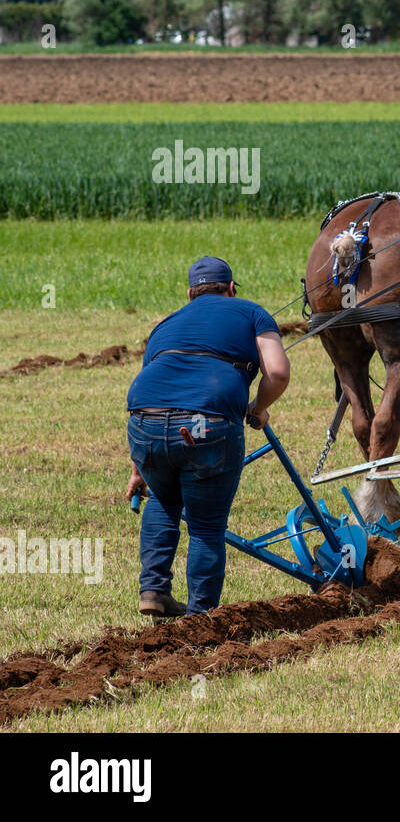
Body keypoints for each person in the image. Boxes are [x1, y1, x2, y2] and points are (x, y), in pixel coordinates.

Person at [126, 256, 290, 616]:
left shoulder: (164, 326)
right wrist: (258, 408)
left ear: (189, 294)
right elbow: (276, 372)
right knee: (206, 524)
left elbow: (155, 395)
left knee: (162, 501)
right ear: (231, 289)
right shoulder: (252, 313)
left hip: (144, 424)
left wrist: (139, 470)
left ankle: (153, 591)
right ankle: (200, 617)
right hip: (205, 424)